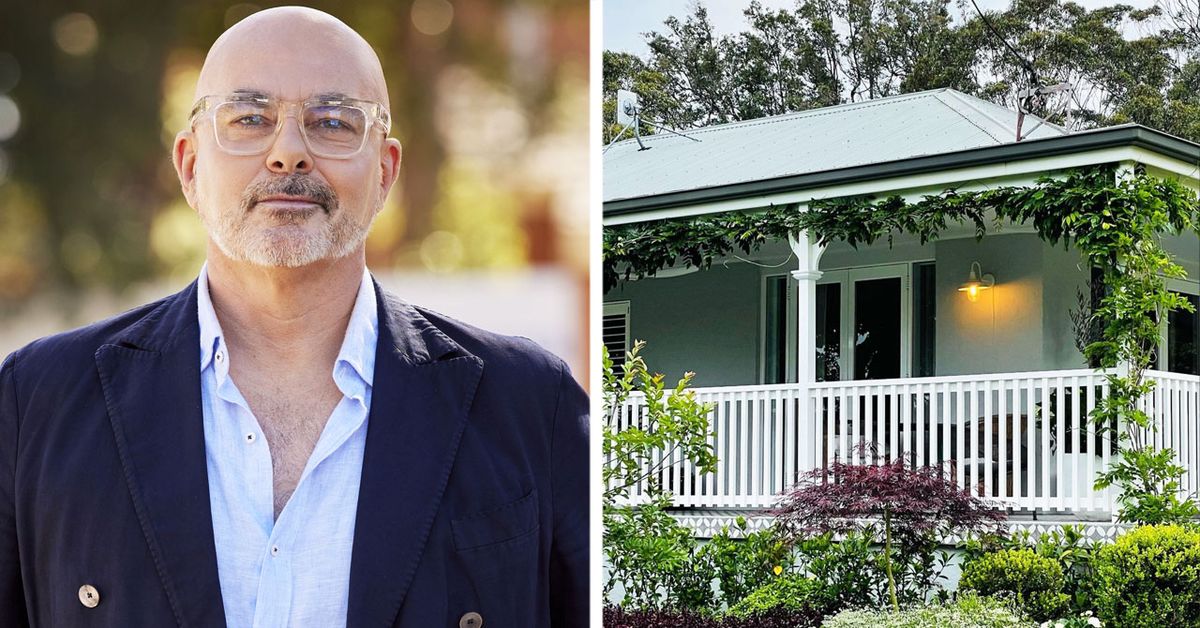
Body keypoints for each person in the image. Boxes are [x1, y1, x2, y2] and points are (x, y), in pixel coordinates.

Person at [0, 7, 588, 627]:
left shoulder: (528, 406)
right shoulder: (37, 406)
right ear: (191, 166)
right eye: (249, 119)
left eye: (332, 122)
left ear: (385, 171)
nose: (288, 154)